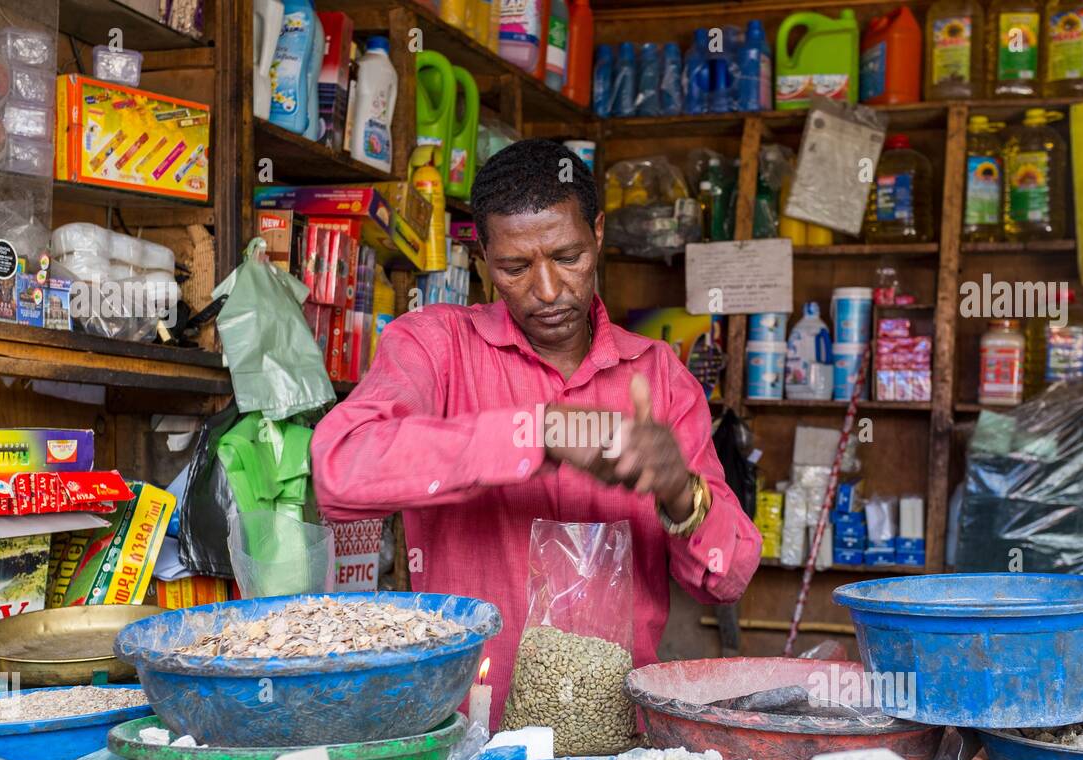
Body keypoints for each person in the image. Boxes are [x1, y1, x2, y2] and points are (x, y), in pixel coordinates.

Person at [311, 139, 761, 724]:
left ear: (598, 233)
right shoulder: (434, 346)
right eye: (516, 268)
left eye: (567, 257)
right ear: (482, 257)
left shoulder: (660, 378)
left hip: (615, 739)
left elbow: (728, 578)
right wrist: (536, 432)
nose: (547, 290)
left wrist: (680, 491)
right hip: (465, 733)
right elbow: (340, 467)